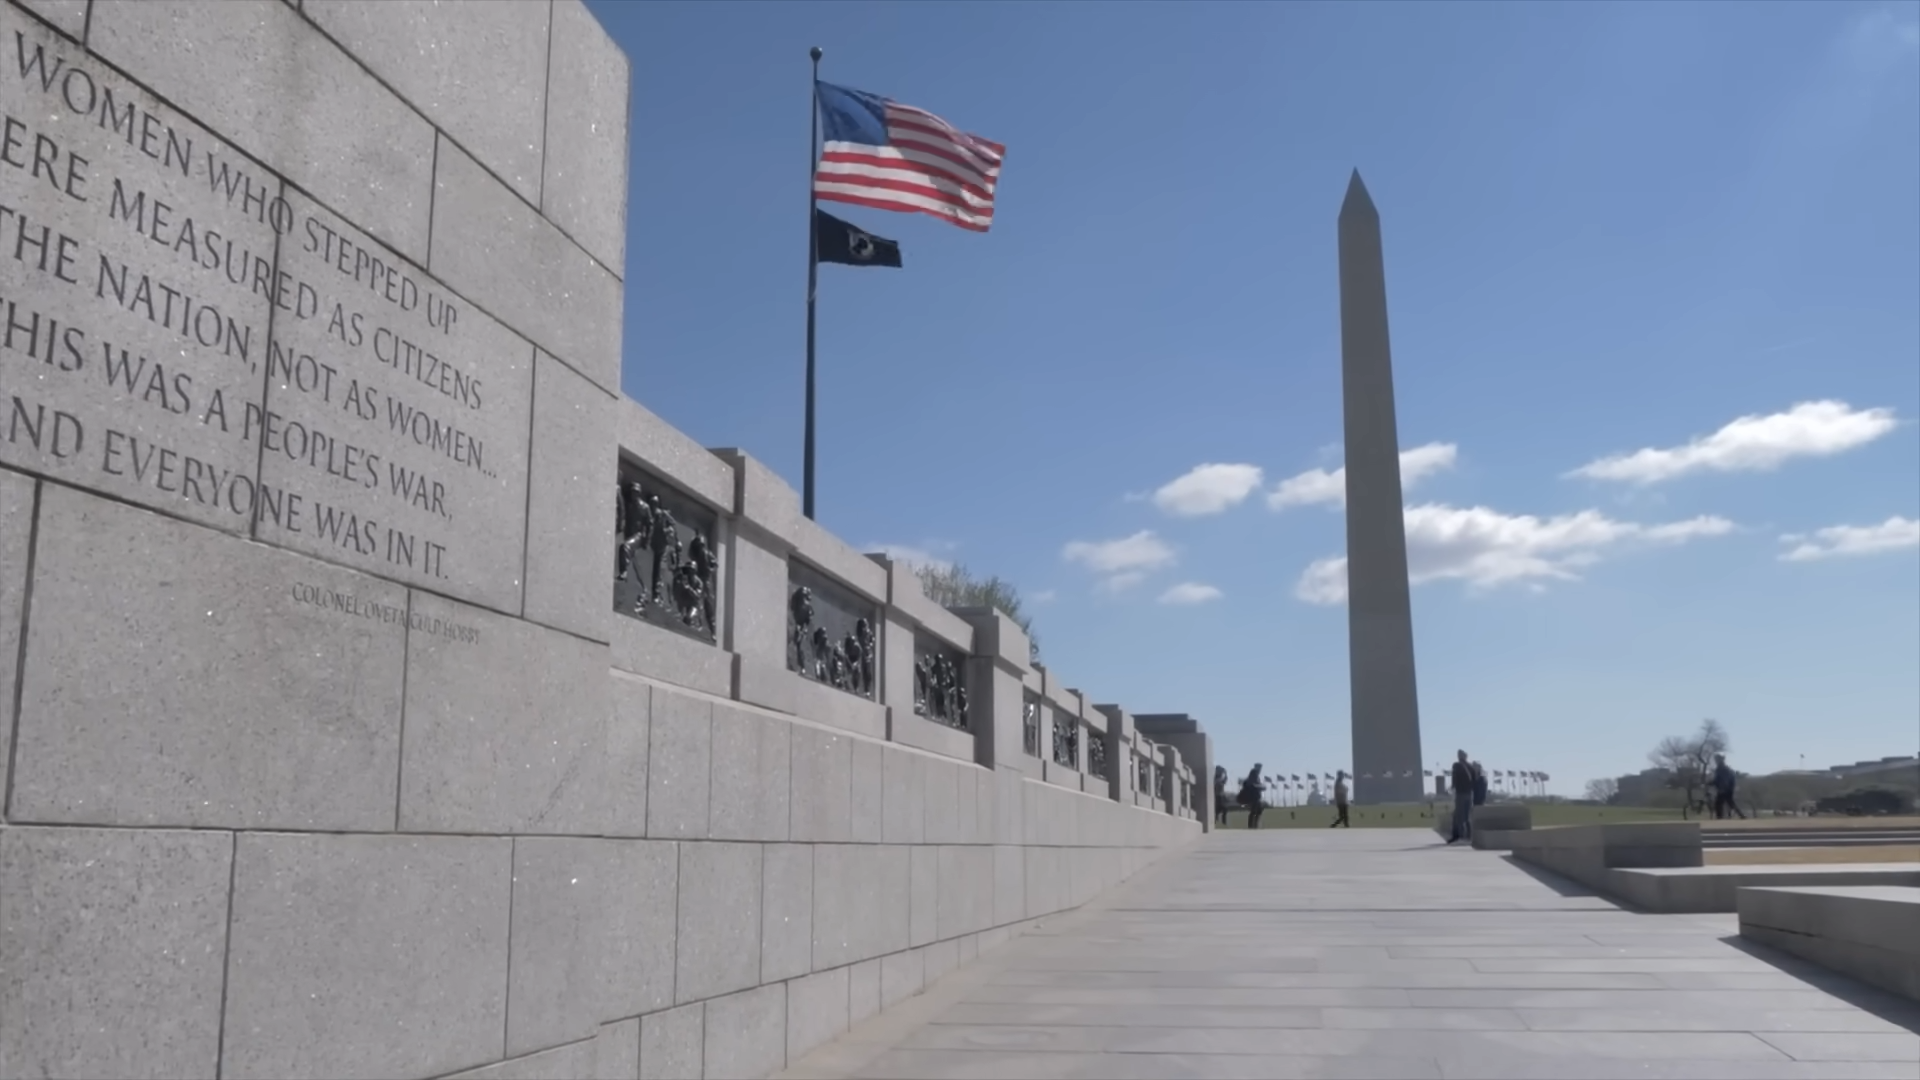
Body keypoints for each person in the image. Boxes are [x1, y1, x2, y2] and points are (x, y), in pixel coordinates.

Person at [1448, 751, 1475, 844]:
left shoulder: (1457, 765)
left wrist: (1452, 786)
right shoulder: (1471, 767)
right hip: (1469, 793)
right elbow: (1475, 780)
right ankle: (1469, 836)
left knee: (1458, 816)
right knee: (1467, 816)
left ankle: (1458, 836)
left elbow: (1454, 777)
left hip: (1460, 793)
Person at [1711, 753, 1746, 820]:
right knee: (1729, 803)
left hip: (1726, 789)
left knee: (1719, 804)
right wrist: (1710, 783)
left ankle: (1720, 819)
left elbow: (1723, 780)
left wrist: (1722, 788)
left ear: (1720, 760)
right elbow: (1717, 780)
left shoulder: (1722, 768)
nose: (1715, 761)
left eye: (1716, 759)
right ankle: (1742, 816)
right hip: (1726, 788)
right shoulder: (1720, 767)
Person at [1238, 764, 1268, 829]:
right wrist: (1262, 787)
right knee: (1254, 812)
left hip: (1256, 797)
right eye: (1259, 768)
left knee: (1257, 811)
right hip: (1254, 797)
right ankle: (1252, 826)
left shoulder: (1255, 775)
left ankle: (1254, 825)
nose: (1260, 770)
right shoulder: (1253, 774)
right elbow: (1253, 785)